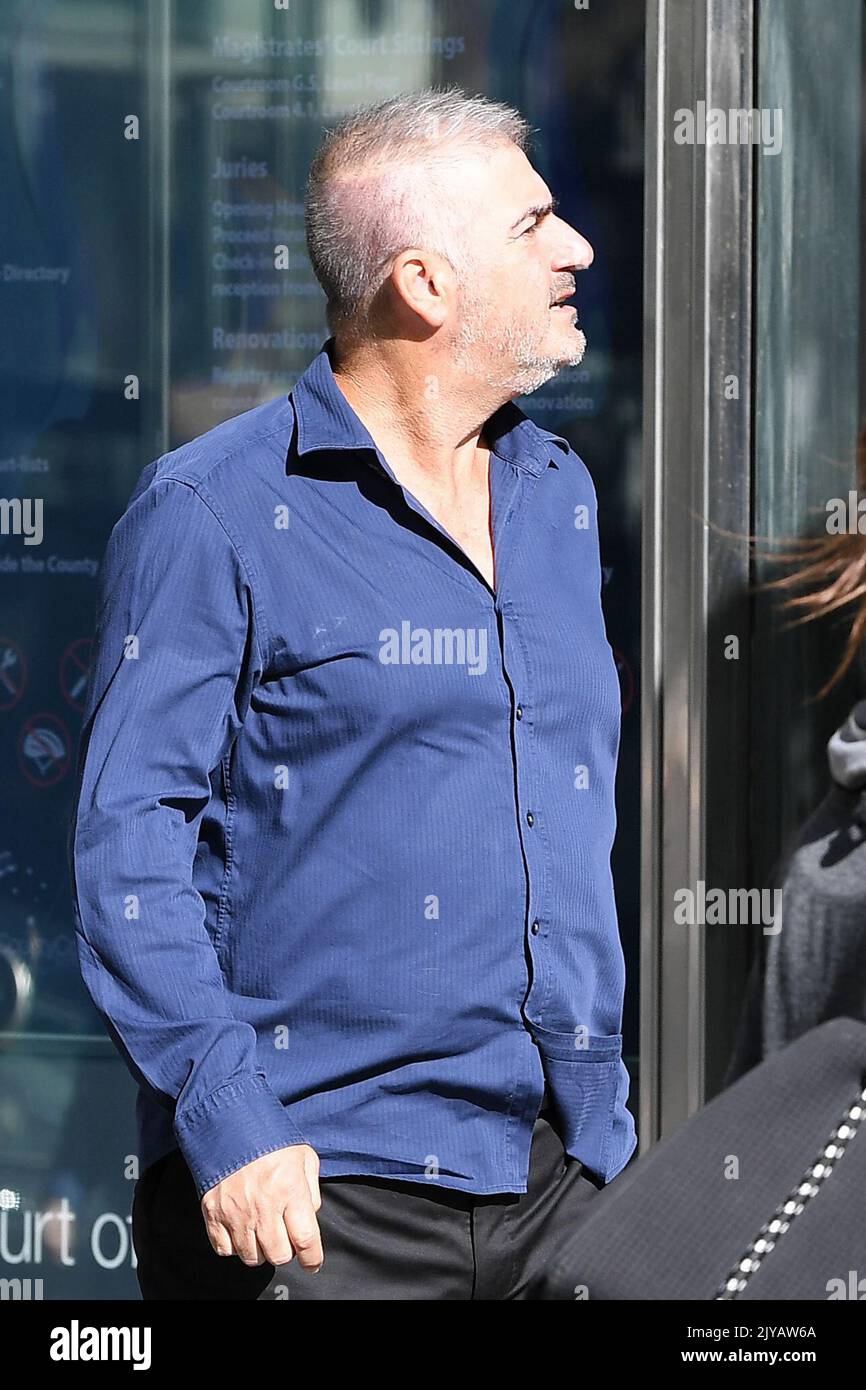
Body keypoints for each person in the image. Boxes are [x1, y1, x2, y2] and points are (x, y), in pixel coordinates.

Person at [69, 87, 637, 1301]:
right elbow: (128, 852)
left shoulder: (558, 493)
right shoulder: (210, 511)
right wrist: (230, 1118)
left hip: (563, 1186)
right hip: (316, 1200)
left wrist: (606, 1130)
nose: (575, 246)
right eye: (532, 224)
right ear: (423, 285)